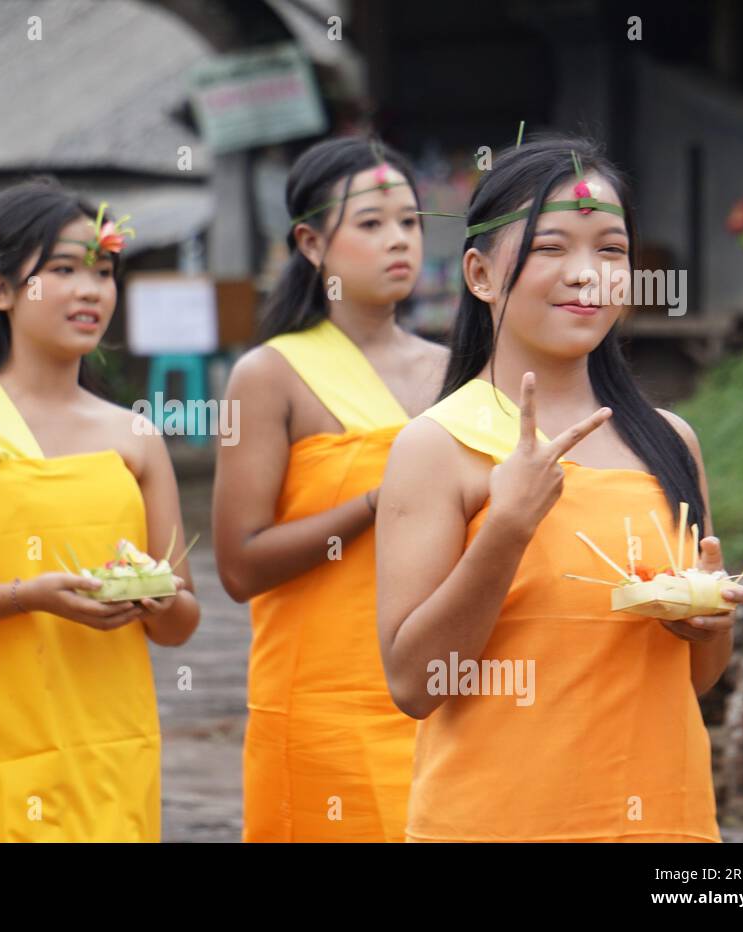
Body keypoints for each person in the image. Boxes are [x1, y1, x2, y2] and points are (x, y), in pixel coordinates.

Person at [375, 135, 743, 842]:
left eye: (610, 250)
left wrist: (708, 621)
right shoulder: (438, 445)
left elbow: (695, 681)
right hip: (498, 820)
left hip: (665, 822)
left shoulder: (670, 442)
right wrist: (506, 529)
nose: (588, 274)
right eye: (551, 249)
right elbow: (415, 684)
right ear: (481, 274)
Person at [0, 179, 200, 841]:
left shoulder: (133, 436)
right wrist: (29, 596)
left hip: (112, 743)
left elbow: (181, 621)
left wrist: (155, 599)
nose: (90, 290)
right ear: (1, 289)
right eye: (63, 270)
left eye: (103, 272)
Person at [212, 137, 447, 842]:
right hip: (324, 702)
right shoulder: (268, 375)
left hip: (441, 691)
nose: (398, 241)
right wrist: (375, 504)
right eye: (371, 224)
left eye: (409, 221)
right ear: (311, 243)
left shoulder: (458, 370)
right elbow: (238, 565)